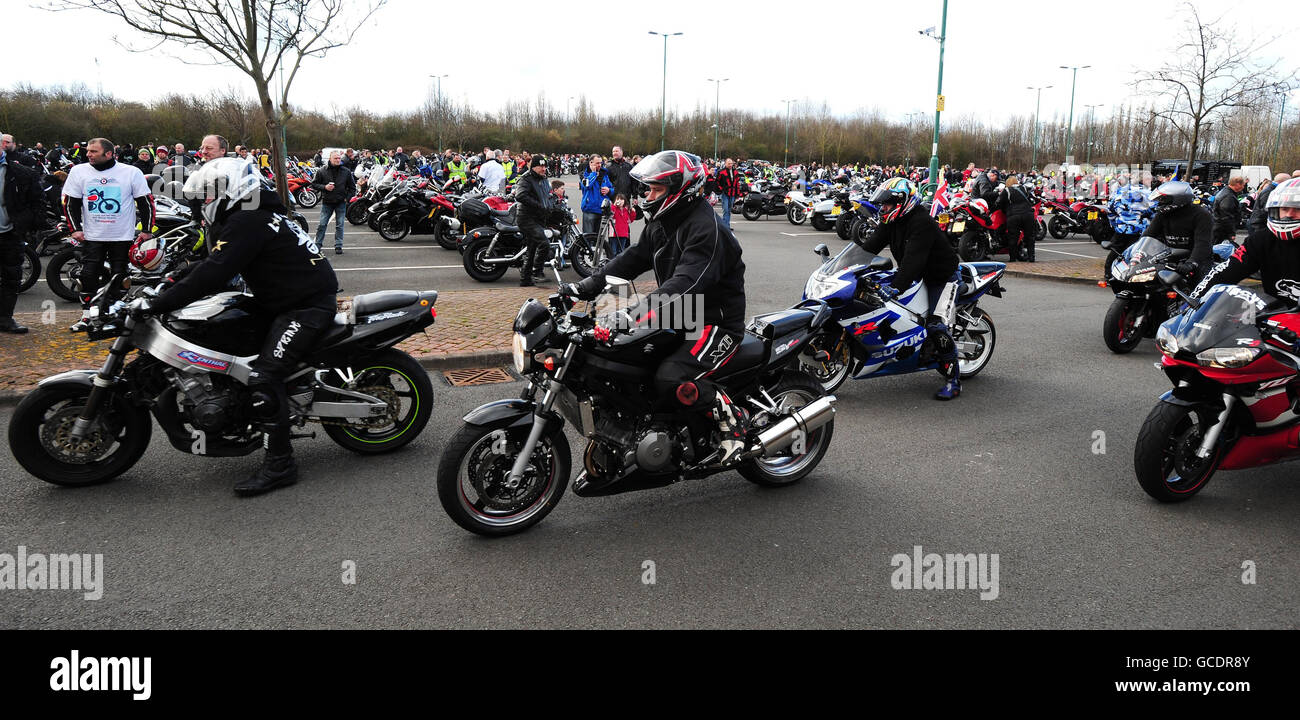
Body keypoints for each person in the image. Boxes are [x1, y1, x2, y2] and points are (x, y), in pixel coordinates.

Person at [133, 159, 337, 495]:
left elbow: (215, 271)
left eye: (208, 195)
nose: (202, 203)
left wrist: (158, 303)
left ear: (230, 190)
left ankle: (280, 464)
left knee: (263, 376)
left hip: (306, 306)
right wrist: (168, 279)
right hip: (281, 300)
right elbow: (213, 261)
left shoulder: (249, 220)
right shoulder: (250, 217)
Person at [561, 150, 748, 462]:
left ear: (680, 190)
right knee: (622, 355)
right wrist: (584, 287)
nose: (647, 195)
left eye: (656, 189)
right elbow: (633, 259)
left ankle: (734, 424)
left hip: (715, 322)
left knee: (672, 376)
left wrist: (631, 314)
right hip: (683, 313)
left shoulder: (707, 229)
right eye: (648, 188)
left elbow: (685, 285)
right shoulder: (664, 221)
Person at [861, 177, 963, 400]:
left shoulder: (921, 222)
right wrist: (845, 263)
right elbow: (869, 247)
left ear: (902, 202)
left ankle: (953, 380)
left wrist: (896, 287)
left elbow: (913, 261)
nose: (883, 208)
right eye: (882, 204)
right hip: (916, 276)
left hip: (942, 277)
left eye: (887, 204)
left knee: (936, 325)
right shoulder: (892, 221)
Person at [62, 138, 155, 332]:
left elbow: (146, 203)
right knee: (87, 276)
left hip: (121, 235)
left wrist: (146, 230)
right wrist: (75, 229)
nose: (88, 154)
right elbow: (71, 203)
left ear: (109, 154)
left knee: (119, 277)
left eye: (94, 152)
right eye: (88, 151)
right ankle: (87, 316)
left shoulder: (131, 172)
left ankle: (114, 315)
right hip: (92, 235)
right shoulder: (78, 171)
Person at [1194, 178, 1300, 303]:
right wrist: (1194, 300)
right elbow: (1226, 271)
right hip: (1274, 315)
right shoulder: (1261, 239)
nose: (1288, 215)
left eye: (1298, 209)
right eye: (1284, 209)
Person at [0, 134, 44, 333]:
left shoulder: (21, 172)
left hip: (9, 233)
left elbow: (37, 201)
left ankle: (5, 318)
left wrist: (27, 224)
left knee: (11, 276)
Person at [1139, 180, 1214, 281]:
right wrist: (1138, 254)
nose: (1160, 203)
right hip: (1170, 258)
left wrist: (1191, 263)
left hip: (1196, 259)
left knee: (1198, 290)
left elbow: (1202, 244)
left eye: (1164, 200)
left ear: (1178, 199)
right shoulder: (1163, 214)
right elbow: (1149, 235)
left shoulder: (1201, 215)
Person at [513, 155, 555, 286]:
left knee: (532, 248)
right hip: (526, 218)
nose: (543, 168)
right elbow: (520, 195)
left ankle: (525, 279)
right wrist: (539, 205)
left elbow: (548, 194)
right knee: (544, 244)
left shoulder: (543, 179)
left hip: (538, 218)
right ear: (534, 167)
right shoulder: (526, 179)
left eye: (545, 166)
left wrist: (553, 202)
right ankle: (537, 272)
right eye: (541, 166)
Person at [311, 151, 356, 255]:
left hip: (341, 202)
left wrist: (347, 199)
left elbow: (352, 188)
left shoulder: (346, 171)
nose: (338, 160)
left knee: (340, 225)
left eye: (339, 158)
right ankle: (317, 244)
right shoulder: (322, 170)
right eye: (335, 158)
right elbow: (314, 184)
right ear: (330, 159)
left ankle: (338, 245)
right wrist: (325, 187)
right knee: (322, 224)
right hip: (327, 202)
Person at [579, 154, 613, 241]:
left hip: (602, 210)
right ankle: (587, 254)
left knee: (599, 239)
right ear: (591, 163)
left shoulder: (604, 174)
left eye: (600, 163)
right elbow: (586, 186)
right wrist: (593, 173)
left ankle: (598, 254)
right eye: (597, 163)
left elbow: (612, 189)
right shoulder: (584, 174)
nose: (599, 165)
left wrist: (609, 190)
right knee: (588, 238)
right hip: (590, 209)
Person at [1002, 175, 1036, 262]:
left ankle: (1012, 259)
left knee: (1013, 238)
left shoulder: (1007, 190)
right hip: (1027, 214)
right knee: (1030, 237)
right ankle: (1031, 257)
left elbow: (999, 202)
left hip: (1014, 216)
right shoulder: (1023, 188)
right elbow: (1030, 198)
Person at [1212, 176, 1246, 243]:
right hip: (1221, 230)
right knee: (1219, 249)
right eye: (1243, 185)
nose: (1243, 187)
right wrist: (1231, 233)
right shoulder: (1228, 196)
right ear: (1237, 184)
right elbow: (1226, 216)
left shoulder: (1227, 192)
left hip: (1219, 228)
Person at [714, 157, 744, 230]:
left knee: (729, 210)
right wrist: (721, 189)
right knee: (726, 210)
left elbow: (737, 183)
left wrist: (738, 193)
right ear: (725, 164)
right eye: (729, 163)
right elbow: (717, 182)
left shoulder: (735, 172)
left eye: (731, 163)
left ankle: (727, 225)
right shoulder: (721, 172)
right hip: (725, 193)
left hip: (733, 193)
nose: (730, 165)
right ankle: (725, 227)